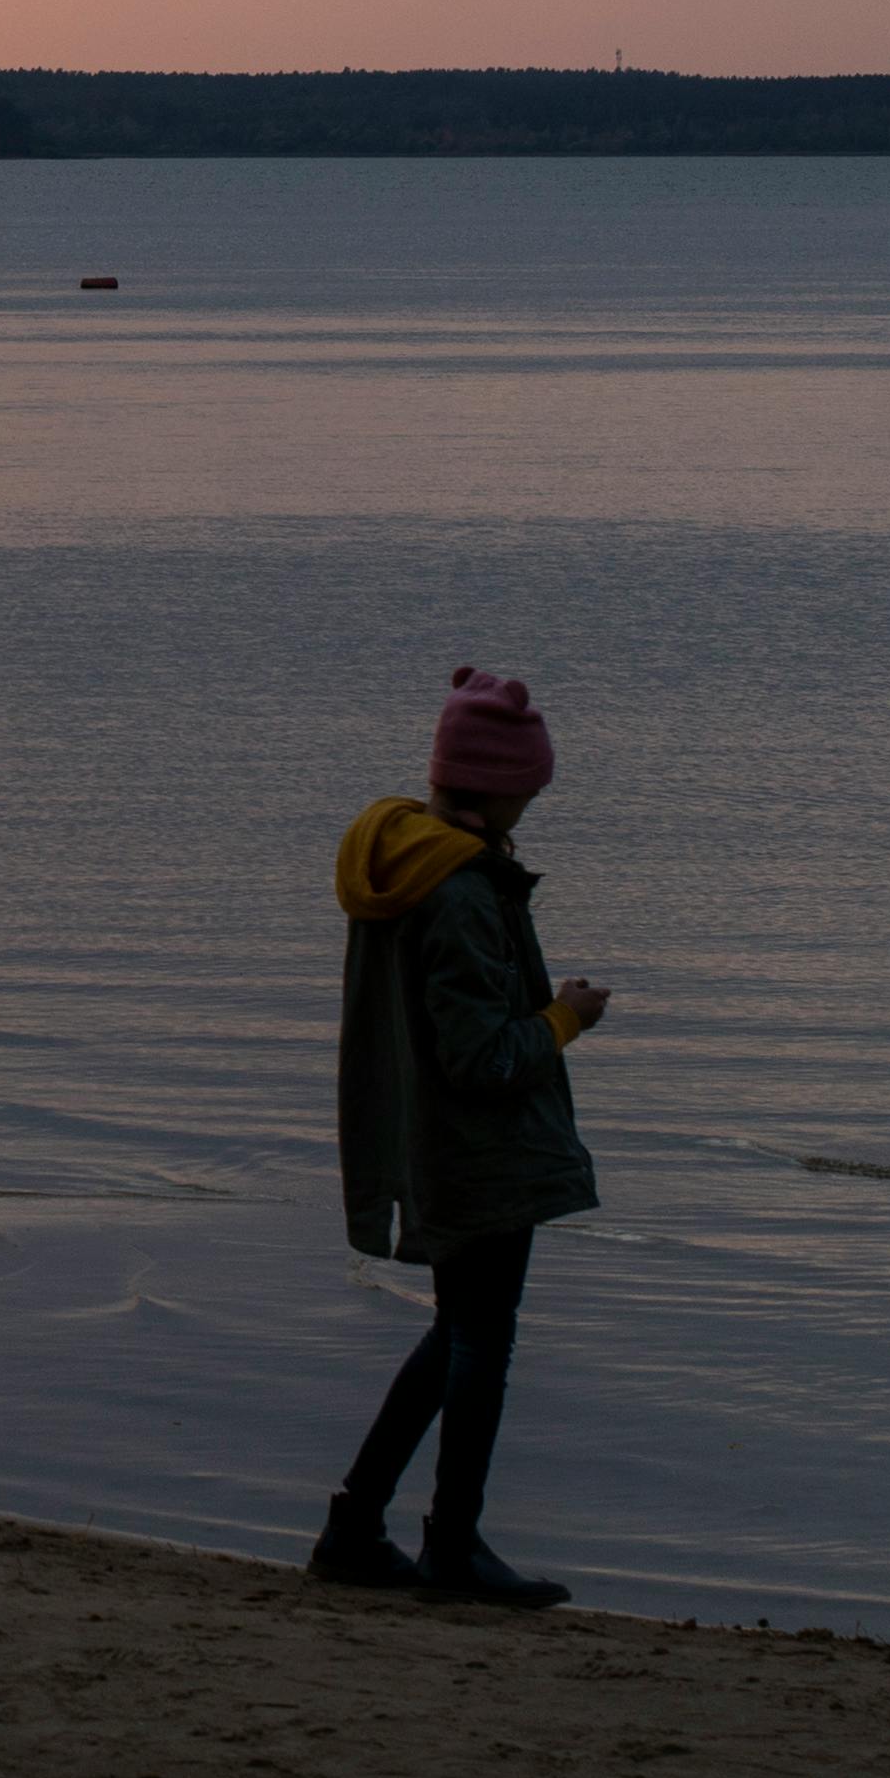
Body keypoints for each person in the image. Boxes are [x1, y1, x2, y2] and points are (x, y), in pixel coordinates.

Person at [315, 664, 609, 1608]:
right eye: (531, 782)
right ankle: (453, 1545)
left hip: (434, 1139)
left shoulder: (407, 862)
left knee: (460, 1332)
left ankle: (356, 1526)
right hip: (476, 1147)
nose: (538, 797)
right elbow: (482, 1058)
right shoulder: (459, 891)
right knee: (483, 1339)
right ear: (494, 781)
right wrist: (566, 1018)